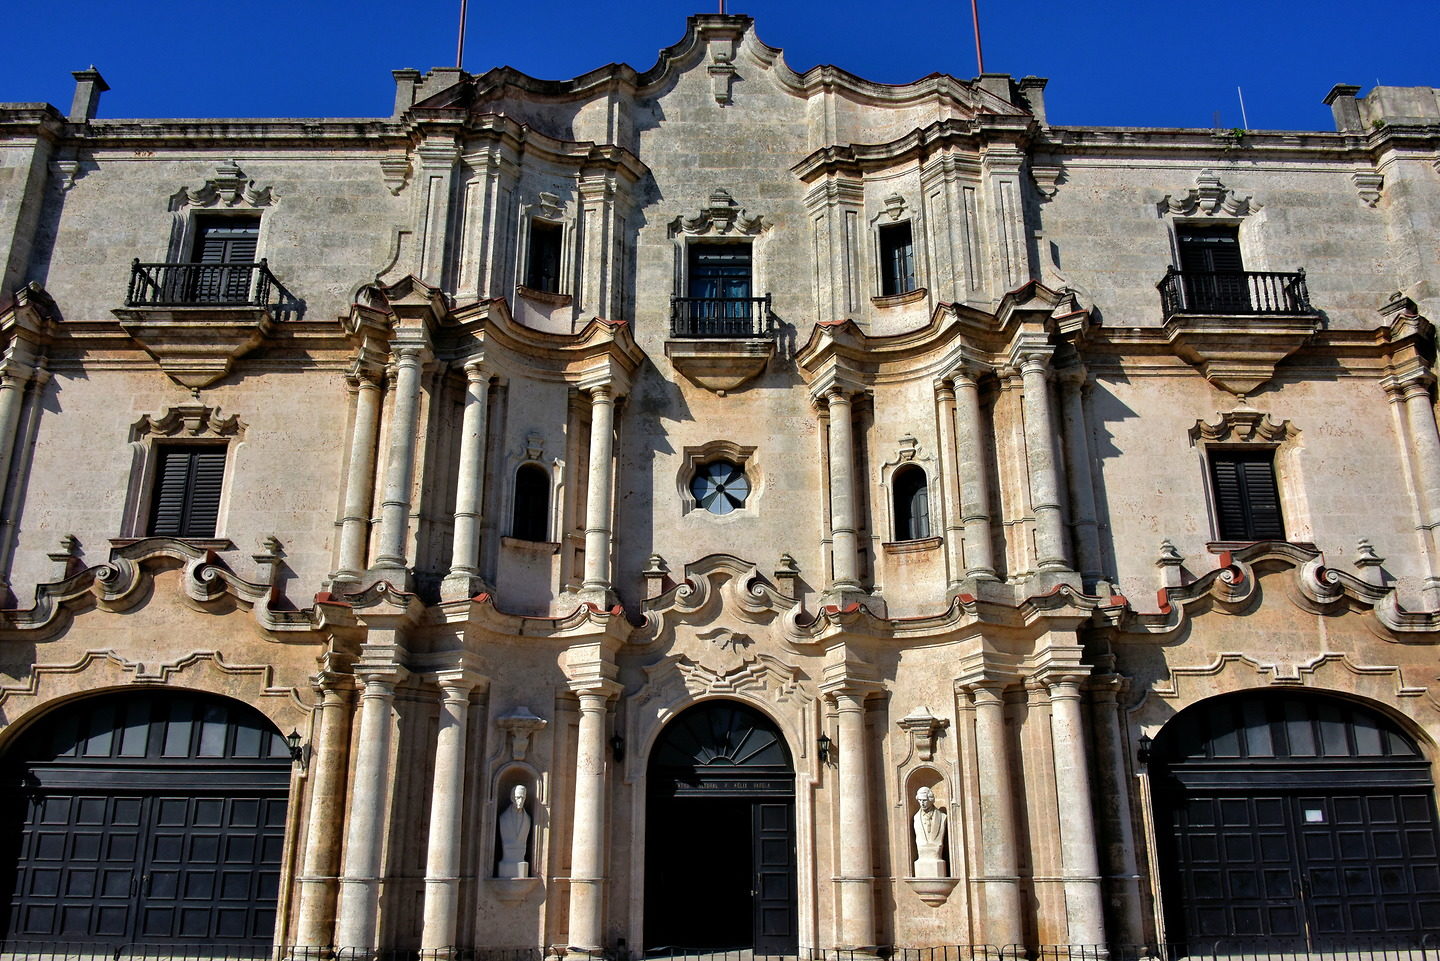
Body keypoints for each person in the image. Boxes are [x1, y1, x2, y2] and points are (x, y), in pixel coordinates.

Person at [497, 783, 532, 878]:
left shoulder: (527, 819)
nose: (520, 801)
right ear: (513, 798)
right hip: (506, 860)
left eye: (523, 798)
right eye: (518, 797)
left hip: (521, 859)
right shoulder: (503, 818)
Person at [912, 785, 947, 877]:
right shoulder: (916, 818)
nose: (922, 803)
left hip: (937, 858)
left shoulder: (942, 817)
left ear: (930, 799)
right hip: (922, 858)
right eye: (919, 800)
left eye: (924, 800)